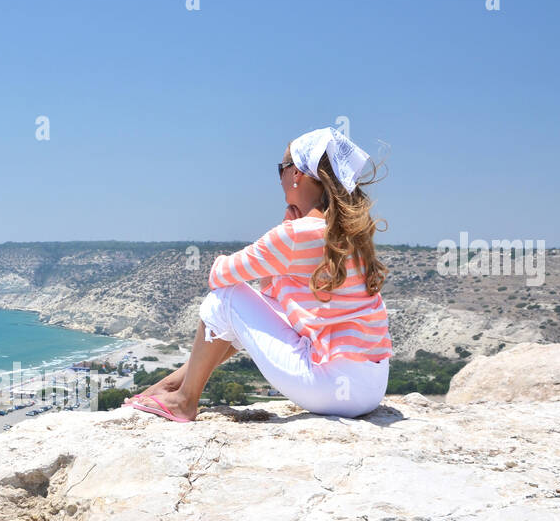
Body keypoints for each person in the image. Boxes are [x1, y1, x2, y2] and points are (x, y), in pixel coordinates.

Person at [127, 126, 392, 421]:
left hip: (330, 388)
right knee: (251, 309)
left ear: (297, 174)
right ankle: (171, 385)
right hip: (371, 387)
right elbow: (273, 300)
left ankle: (184, 400)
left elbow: (220, 276)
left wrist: (282, 232)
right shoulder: (351, 231)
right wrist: (279, 259)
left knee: (224, 299)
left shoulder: (295, 234)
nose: (279, 178)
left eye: (282, 168)